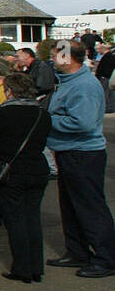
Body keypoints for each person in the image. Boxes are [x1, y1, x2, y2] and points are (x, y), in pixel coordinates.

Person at [44, 40, 115, 277]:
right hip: (70, 151)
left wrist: (46, 121)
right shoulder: (71, 82)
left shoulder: (83, 85)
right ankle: (77, 252)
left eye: (55, 56)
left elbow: (82, 123)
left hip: (82, 153)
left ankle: (107, 259)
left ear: (68, 58)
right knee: (71, 206)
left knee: (89, 207)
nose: (52, 59)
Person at [0, 73, 52, 283]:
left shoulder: (4, 113)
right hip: (37, 169)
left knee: (15, 220)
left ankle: (22, 268)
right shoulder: (42, 114)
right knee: (32, 219)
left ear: (9, 91)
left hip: (11, 171)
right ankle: (36, 267)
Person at [95, 42, 115, 114]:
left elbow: (103, 68)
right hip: (107, 76)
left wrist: (100, 75)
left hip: (105, 77)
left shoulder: (107, 56)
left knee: (105, 92)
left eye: (98, 49)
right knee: (109, 93)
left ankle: (107, 107)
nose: (97, 51)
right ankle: (110, 106)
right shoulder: (109, 56)